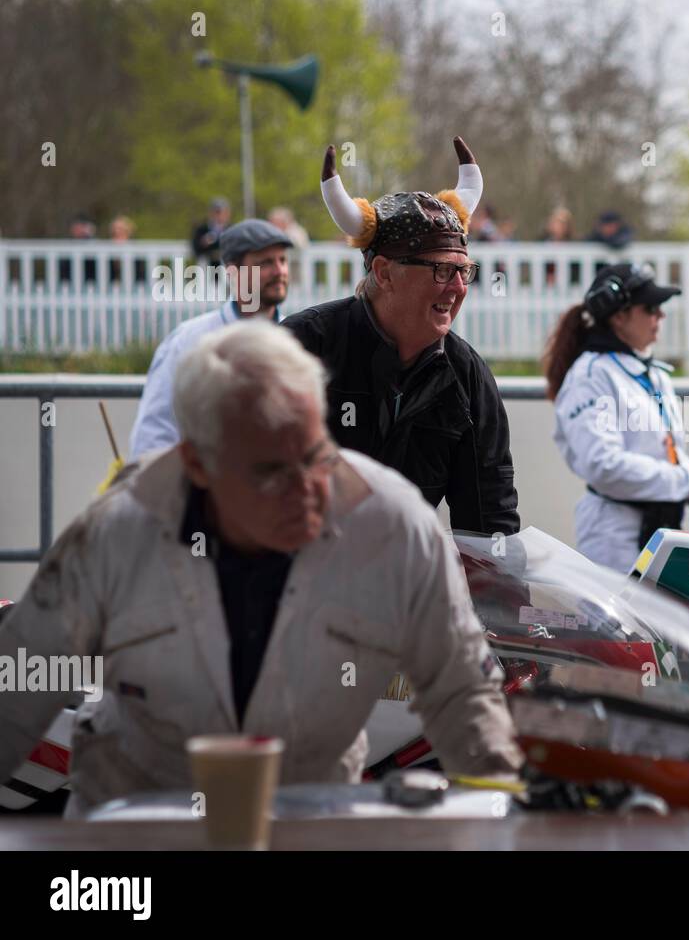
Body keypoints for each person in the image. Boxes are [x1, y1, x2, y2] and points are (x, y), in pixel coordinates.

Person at [0, 320, 523, 817]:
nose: (308, 490)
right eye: (271, 471)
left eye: (319, 454)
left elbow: (463, 695)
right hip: (139, 825)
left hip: (309, 820)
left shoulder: (395, 526)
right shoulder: (118, 532)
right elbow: (18, 695)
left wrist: (502, 813)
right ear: (197, 465)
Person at [283, 138, 520, 535]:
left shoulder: (467, 374)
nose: (457, 287)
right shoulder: (301, 348)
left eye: (465, 271)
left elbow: (490, 515)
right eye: (441, 271)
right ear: (384, 272)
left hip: (405, 581)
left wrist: (499, 595)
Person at [546, 263, 689, 571]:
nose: (661, 315)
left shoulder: (653, 373)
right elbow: (602, 464)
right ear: (618, 315)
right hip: (615, 540)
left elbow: (667, 451)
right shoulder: (591, 376)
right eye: (651, 307)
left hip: (660, 530)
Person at [129, 218, 293, 460]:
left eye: (282, 260)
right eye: (265, 263)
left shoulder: (299, 339)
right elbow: (154, 436)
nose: (279, 271)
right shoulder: (188, 342)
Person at [192, 197, 231, 267]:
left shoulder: (232, 229)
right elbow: (196, 248)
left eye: (223, 212)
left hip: (226, 271)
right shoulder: (202, 229)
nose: (220, 215)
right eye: (217, 212)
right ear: (211, 213)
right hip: (207, 270)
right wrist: (203, 243)